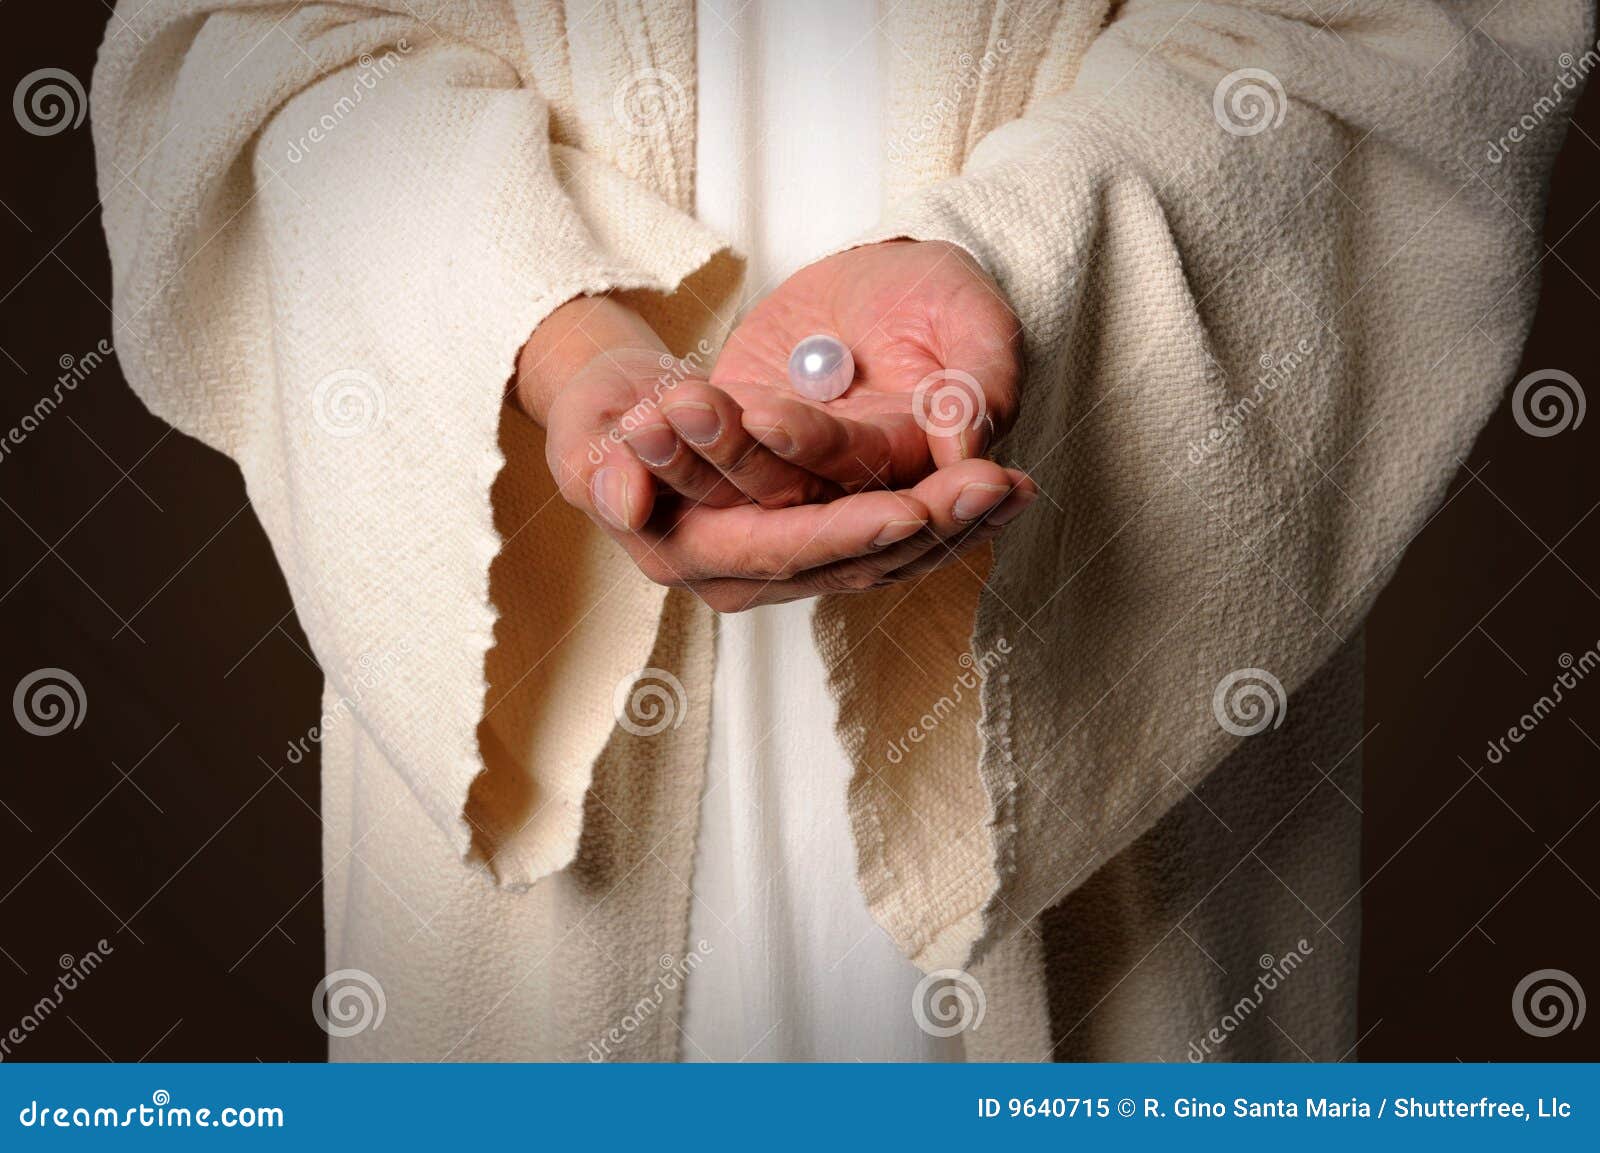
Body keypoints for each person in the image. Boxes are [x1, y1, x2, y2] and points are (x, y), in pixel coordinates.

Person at [91, 0, 1590, 1060]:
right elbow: (248, 45)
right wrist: (559, 339)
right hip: (578, 688)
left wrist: (1014, 272)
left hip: (1076, 630)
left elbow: (1394, 38)